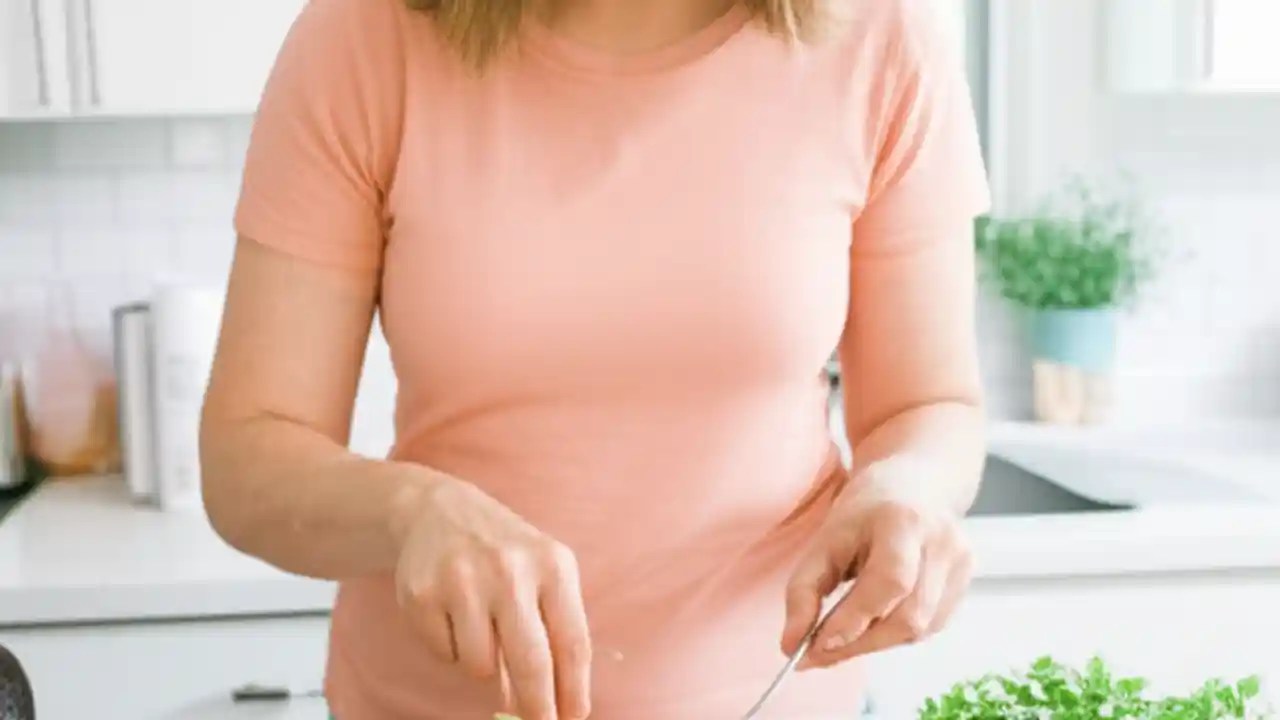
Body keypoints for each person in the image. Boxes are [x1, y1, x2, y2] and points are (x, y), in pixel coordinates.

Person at [199, 0, 990, 717]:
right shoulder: (365, 38)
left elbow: (929, 406)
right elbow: (248, 457)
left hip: (770, 698)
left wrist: (907, 487)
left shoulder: (883, 39)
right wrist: (412, 515)